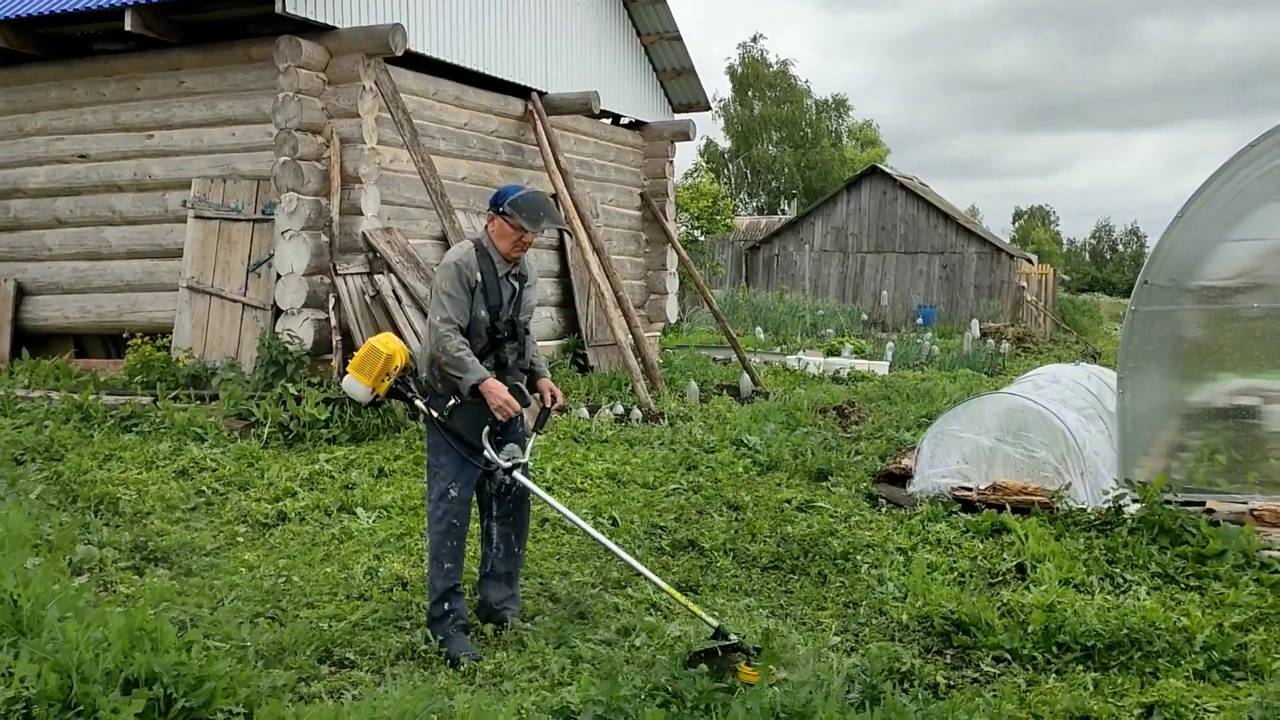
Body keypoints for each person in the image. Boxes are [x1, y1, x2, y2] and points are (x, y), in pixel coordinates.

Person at [419, 184, 568, 668]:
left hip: (505, 402)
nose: (526, 239)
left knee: (510, 498)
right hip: (455, 403)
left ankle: (498, 603)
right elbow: (444, 337)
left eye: (533, 234)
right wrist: (484, 383)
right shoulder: (460, 265)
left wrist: (540, 377)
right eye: (519, 229)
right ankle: (446, 624)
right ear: (491, 220)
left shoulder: (526, 272)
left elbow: (522, 335)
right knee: (451, 508)